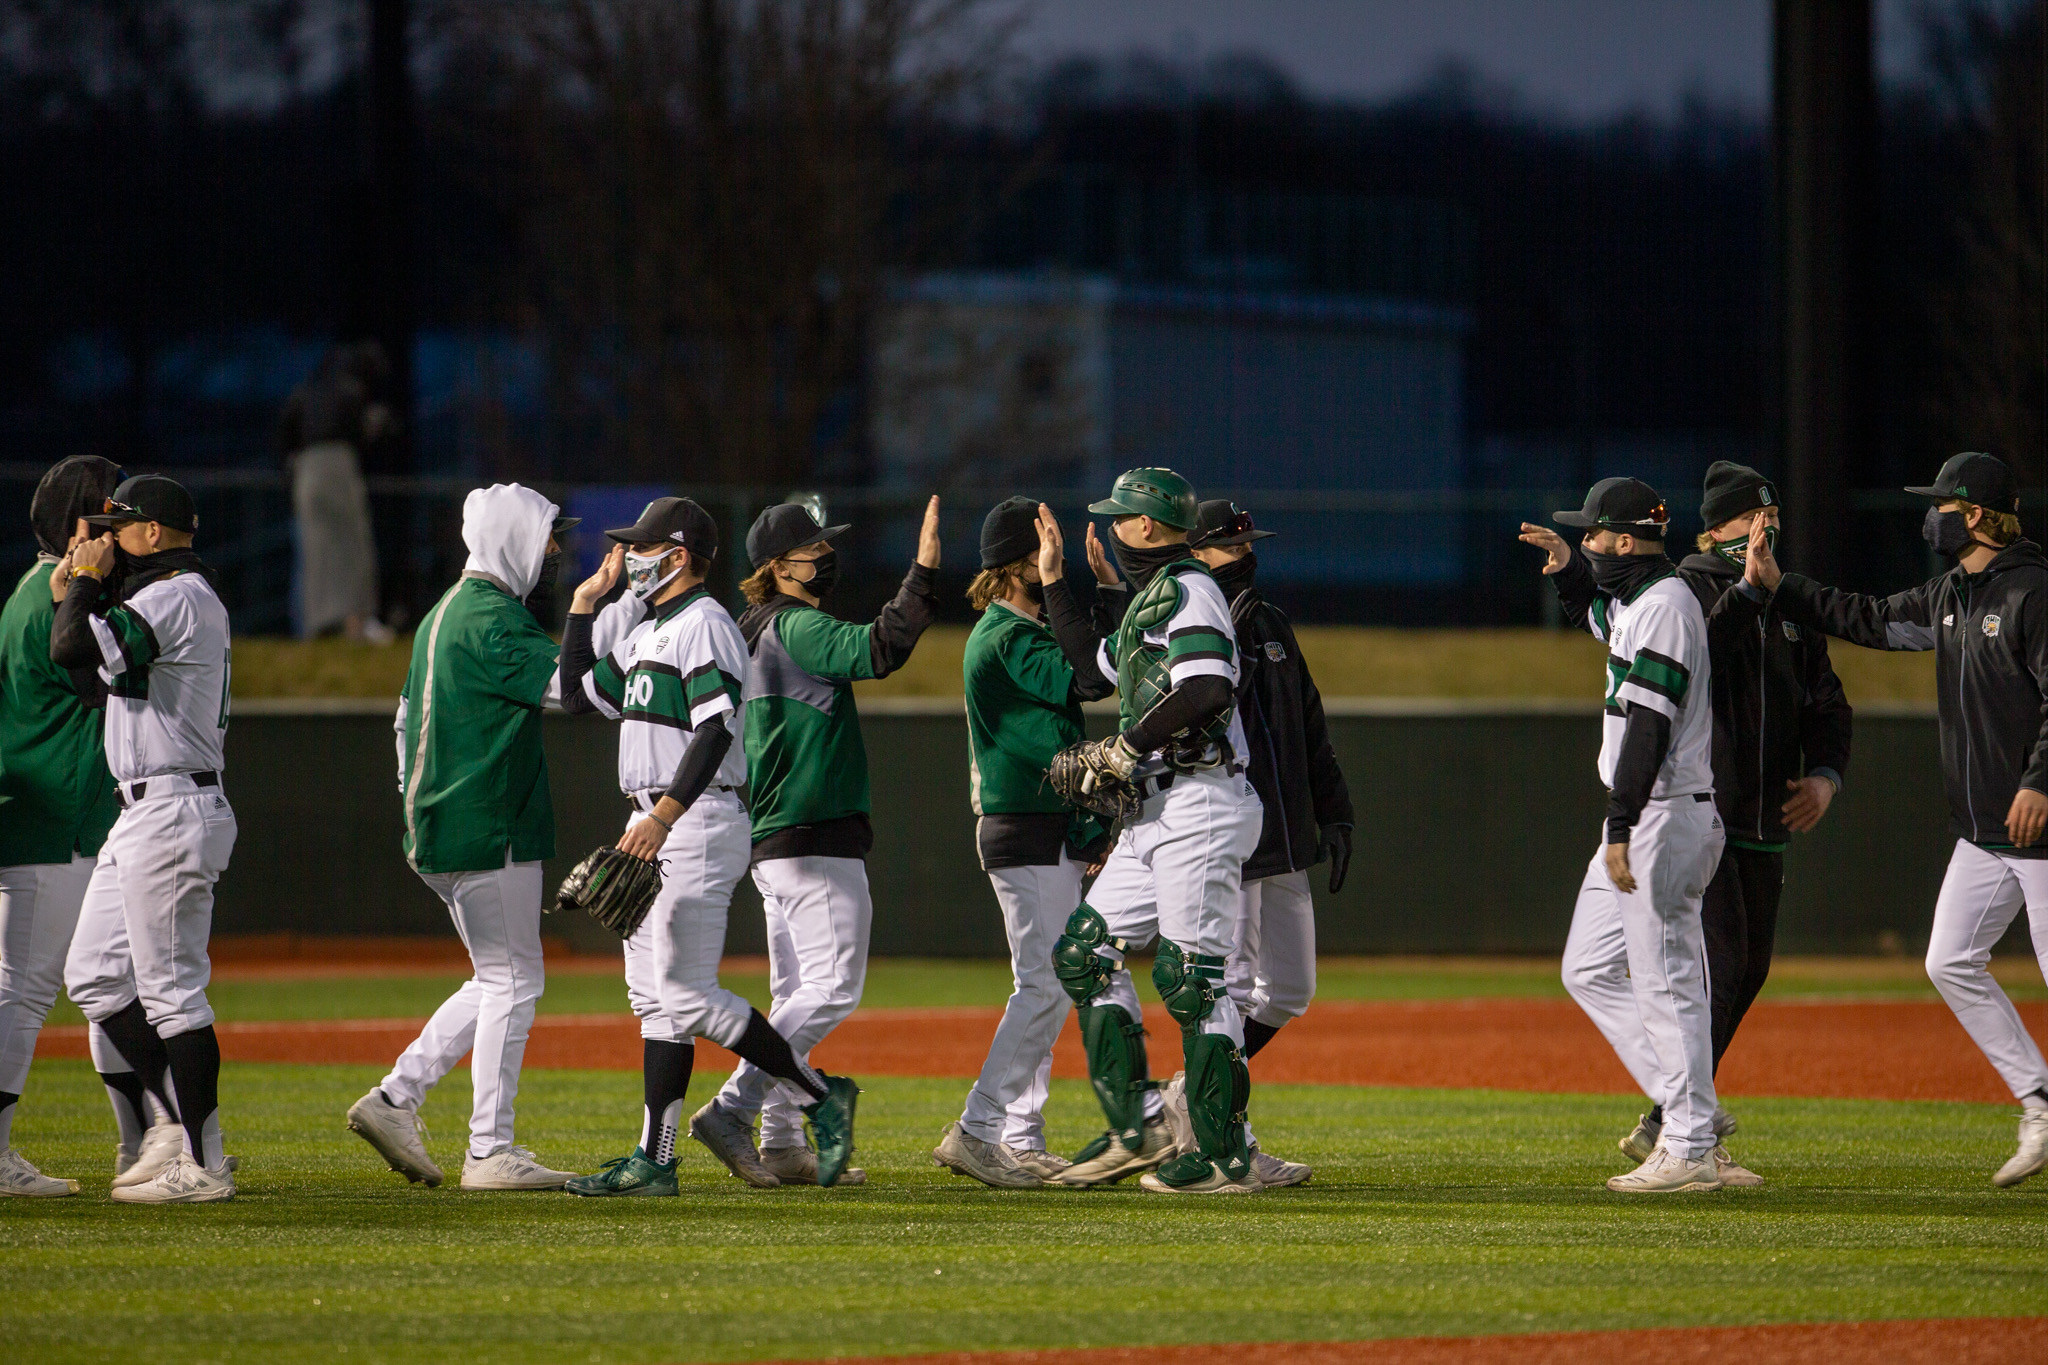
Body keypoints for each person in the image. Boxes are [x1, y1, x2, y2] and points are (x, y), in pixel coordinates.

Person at [1741, 452, 2048, 1188]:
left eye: (1943, 504)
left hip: (2040, 830)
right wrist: (1783, 587)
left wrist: (2040, 782)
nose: (1931, 515)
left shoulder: (2034, 592)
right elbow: (1870, 618)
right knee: (1949, 961)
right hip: (1984, 831)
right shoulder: (1950, 593)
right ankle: (2039, 1100)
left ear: (1977, 515)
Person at [550, 498, 859, 1195]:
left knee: (686, 996)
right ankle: (655, 1158)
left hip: (692, 817)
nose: (631, 557)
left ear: (679, 554)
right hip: (653, 819)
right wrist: (583, 606)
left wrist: (663, 815)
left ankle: (819, 1095)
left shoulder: (707, 622)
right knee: (656, 1004)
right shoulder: (647, 627)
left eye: (643, 546)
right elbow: (574, 697)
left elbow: (715, 728)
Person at [691, 497, 942, 1188]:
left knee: (795, 993)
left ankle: (779, 1141)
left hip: (775, 831)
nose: (827, 555)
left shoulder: (745, 629)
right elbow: (880, 647)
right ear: (779, 567)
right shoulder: (795, 624)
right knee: (832, 986)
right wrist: (923, 572)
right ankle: (731, 1109)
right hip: (813, 831)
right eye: (814, 548)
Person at [1040, 468, 1266, 1194]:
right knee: (1083, 953)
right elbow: (1091, 671)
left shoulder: (1191, 588)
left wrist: (1126, 747)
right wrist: (1056, 582)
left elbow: (1208, 686)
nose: (1110, 527)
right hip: (1155, 809)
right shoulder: (1153, 597)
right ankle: (1140, 1126)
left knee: (1192, 979)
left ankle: (1225, 1156)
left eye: (1118, 517)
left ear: (1142, 525)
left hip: (1201, 801)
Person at [345, 483, 576, 1192]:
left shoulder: (444, 611)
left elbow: (401, 722)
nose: (555, 550)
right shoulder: (494, 617)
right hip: (487, 823)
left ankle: (395, 1099)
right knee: (515, 980)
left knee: (494, 976)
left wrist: (416, 803)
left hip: (443, 825)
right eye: (546, 535)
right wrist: (605, 610)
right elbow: (573, 689)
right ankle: (489, 1149)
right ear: (513, 537)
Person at [1520, 476, 1726, 1193]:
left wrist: (1621, 820)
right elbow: (1604, 622)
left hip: (1660, 813)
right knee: (1589, 967)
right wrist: (1567, 572)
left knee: (1667, 983)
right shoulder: (1644, 599)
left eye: (1594, 534)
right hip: (1651, 812)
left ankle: (1691, 1143)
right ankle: (1694, 1113)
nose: (1587, 542)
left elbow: (1649, 724)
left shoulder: (1666, 605)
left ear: (1627, 541)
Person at [52, 474, 239, 1204]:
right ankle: (179, 1126)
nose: (108, 540)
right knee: (95, 974)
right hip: (146, 810)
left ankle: (205, 1163)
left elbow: (69, 644)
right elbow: (87, 679)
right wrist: (77, 587)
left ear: (152, 531)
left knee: (173, 994)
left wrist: (83, 584)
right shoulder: (168, 596)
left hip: (172, 806)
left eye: (119, 528)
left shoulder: (176, 595)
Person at [930, 497, 1115, 1189]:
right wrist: (1070, 586)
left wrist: (1104, 597)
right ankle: (979, 1128)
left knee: (1043, 982)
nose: (1050, 561)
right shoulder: (1006, 636)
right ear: (1016, 566)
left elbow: (1088, 671)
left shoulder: (1015, 630)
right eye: (1040, 553)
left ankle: (1020, 1134)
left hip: (1041, 824)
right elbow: (1091, 677)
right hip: (1024, 825)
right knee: (1046, 982)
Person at [1178, 497, 1354, 1190]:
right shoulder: (1196, 623)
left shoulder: (1269, 620)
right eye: (1232, 545)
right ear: (1196, 553)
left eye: (1249, 542)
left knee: (1288, 990)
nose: (1246, 553)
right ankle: (1228, 1137)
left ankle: (1188, 1092)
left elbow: (1310, 720)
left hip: (1286, 835)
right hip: (1234, 831)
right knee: (1231, 985)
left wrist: (1335, 811)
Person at [0, 456, 125, 1197]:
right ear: (77, 525)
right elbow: (106, 683)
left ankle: (145, 1144)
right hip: (56, 818)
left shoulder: (30, 588)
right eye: (105, 518)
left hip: (49, 815)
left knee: (106, 984)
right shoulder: (51, 596)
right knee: (24, 991)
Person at [278, 342, 392, 642]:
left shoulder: (305, 391)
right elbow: (359, 432)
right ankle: (358, 624)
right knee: (354, 546)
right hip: (337, 464)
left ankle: (314, 627)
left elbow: (284, 433)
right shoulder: (350, 390)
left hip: (305, 470)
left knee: (314, 551)